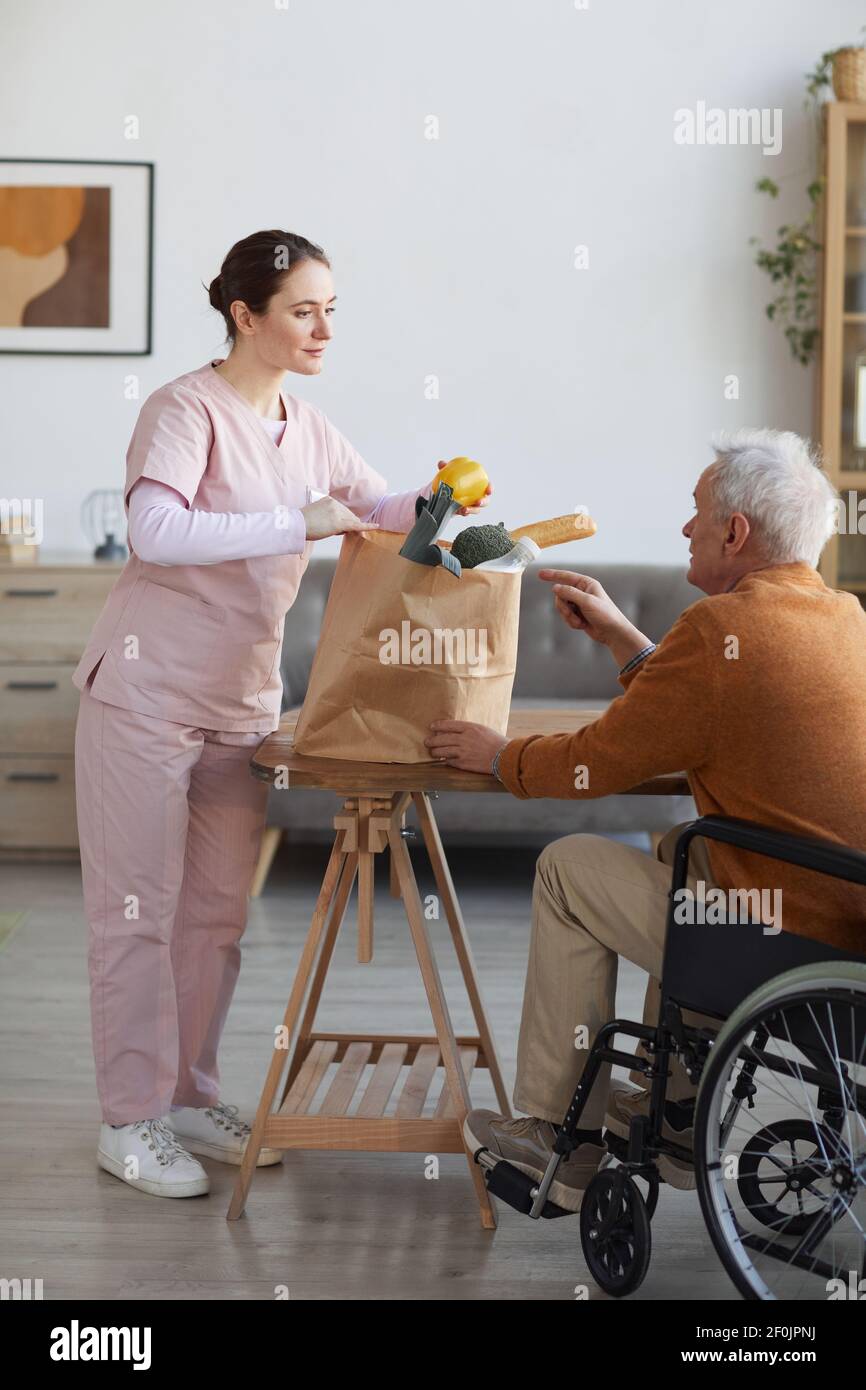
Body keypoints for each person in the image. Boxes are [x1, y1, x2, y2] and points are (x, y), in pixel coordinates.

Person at [73, 228, 491, 1199]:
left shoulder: (304, 426)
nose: (322, 328)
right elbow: (155, 528)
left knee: (215, 917)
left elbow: (374, 502)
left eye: (331, 310)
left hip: (239, 705)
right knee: (136, 913)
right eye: (304, 309)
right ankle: (128, 1120)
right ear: (245, 315)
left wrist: (435, 504)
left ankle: (186, 1092)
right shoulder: (184, 409)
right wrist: (296, 521)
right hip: (144, 694)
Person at [425, 427, 866, 1212]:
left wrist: (501, 756)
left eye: (696, 513)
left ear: (736, 532)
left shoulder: (721, 629)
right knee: (680, 850)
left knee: (569, 868)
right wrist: (627, 642)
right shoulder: (846, 620)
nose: (685, 528)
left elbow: (597, 761)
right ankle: (678, 1108)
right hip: (844, 930)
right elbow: (707, 708)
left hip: (780, 947)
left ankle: (560, 1142)